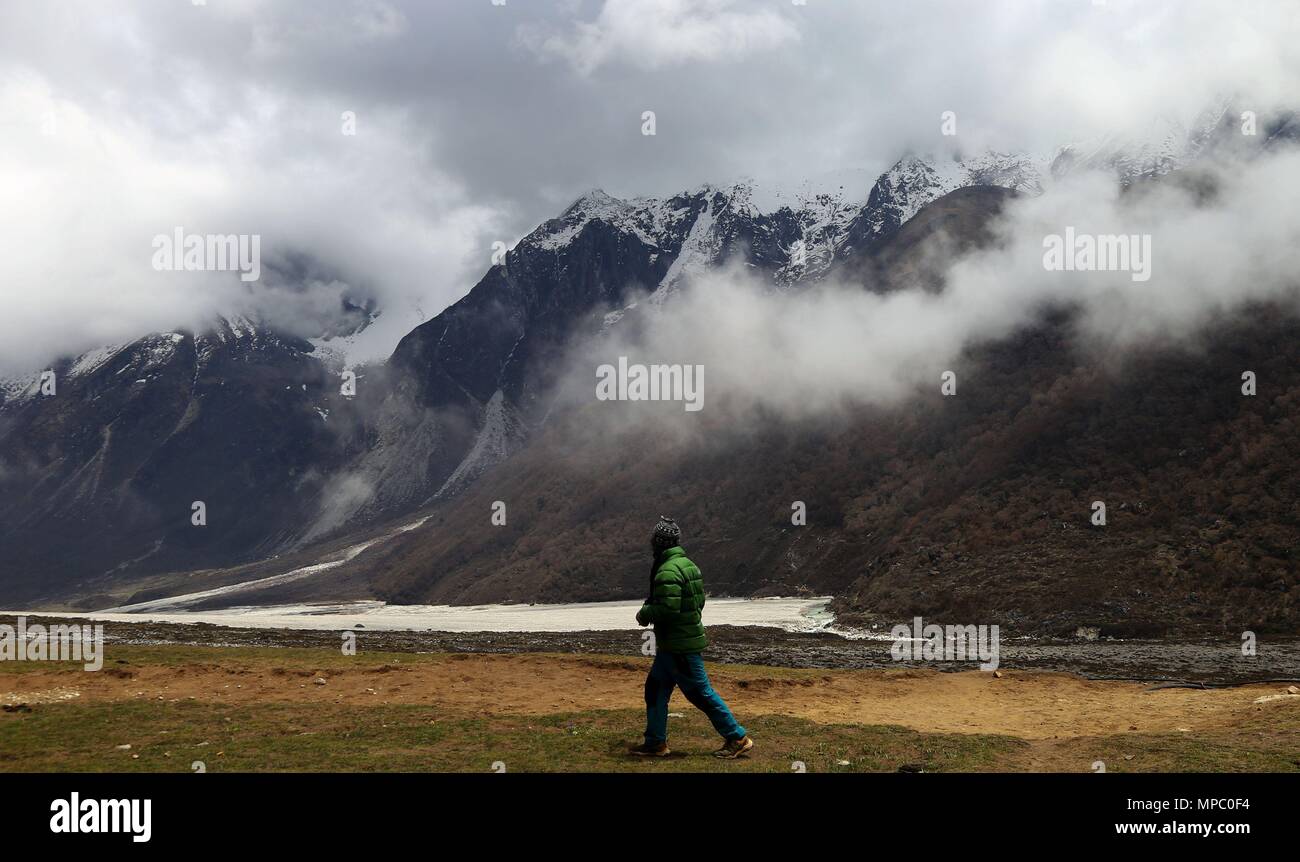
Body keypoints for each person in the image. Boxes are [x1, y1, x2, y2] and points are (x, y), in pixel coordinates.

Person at [629, 516, 754, 759]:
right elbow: (698, 602)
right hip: (673, 646)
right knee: (654, 690)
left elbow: (667, 609)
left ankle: (737, 737)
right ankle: (655, 742)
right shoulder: (689, 565)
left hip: (678, 646)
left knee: (700, 693)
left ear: (659, 542)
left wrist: (644, 614)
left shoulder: (667, 571)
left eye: (654, 539)